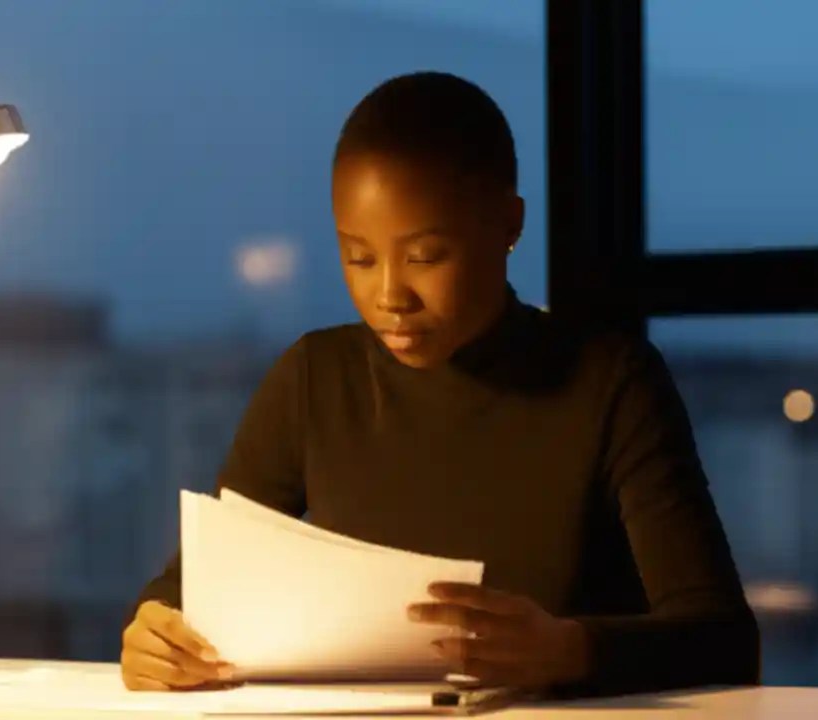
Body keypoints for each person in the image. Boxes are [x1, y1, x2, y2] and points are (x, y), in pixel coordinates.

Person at [121, 71, 759, 696]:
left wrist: (570, 649)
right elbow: (193, 589)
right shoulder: (315, 378)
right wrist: (157, 632)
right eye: (359, 258)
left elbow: (724, 639)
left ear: (508, 225)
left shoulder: (610, 381)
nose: (390, 295)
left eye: (425, 256)